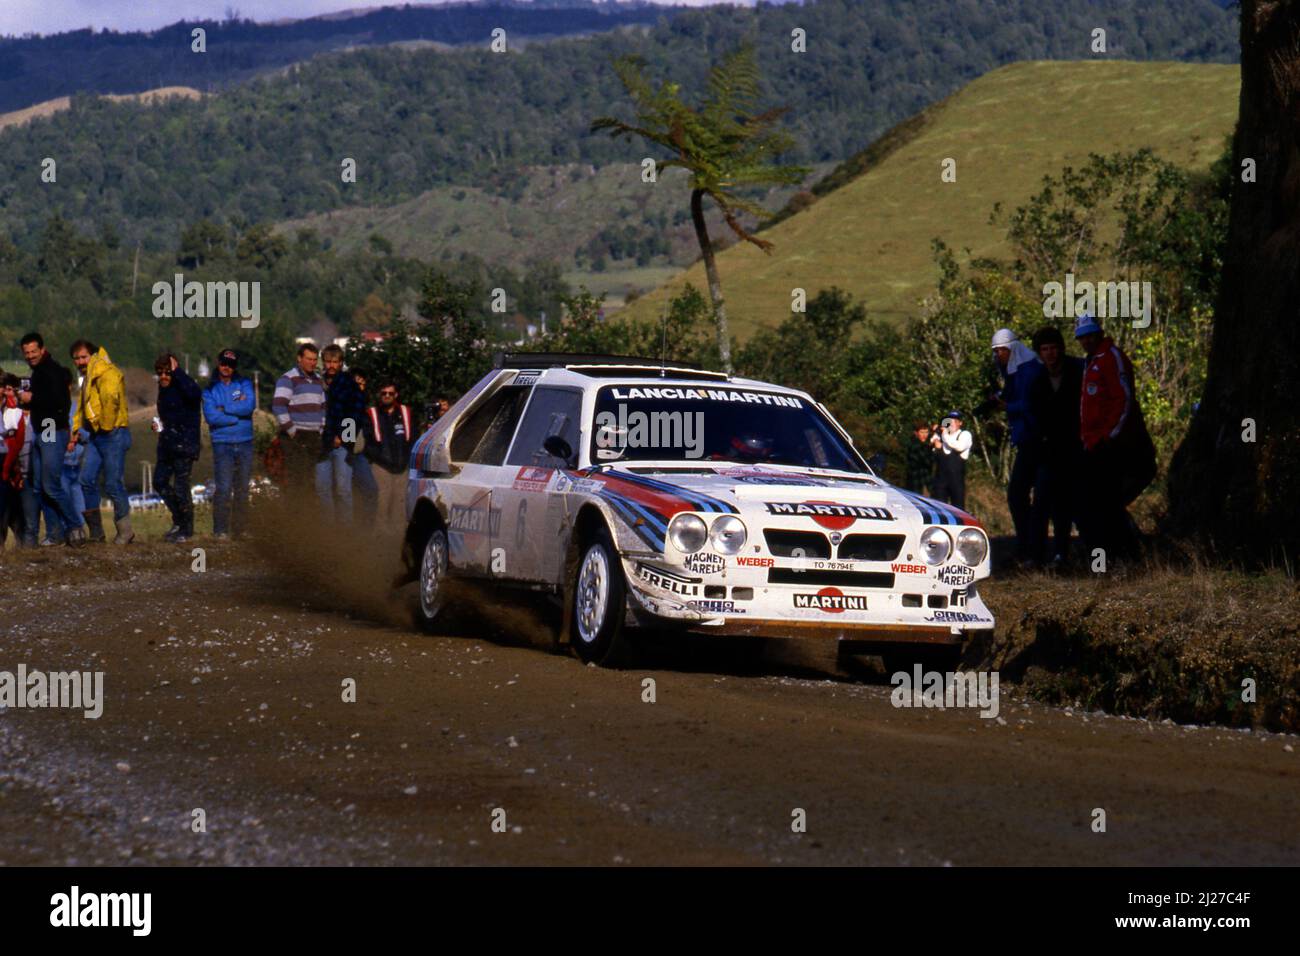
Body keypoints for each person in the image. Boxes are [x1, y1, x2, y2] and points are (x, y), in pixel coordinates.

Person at [1074, 314, 1156, 562]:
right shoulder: (1090, 362)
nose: (1086, 341)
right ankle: (1107, 556)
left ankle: (1128, 555)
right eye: (1082, 337)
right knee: (1092, 504)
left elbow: (1124, 399)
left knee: (1105, 504)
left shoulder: (1112, 358)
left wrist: (1109, 436)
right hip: (1093, 444)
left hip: (1114, 447)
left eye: (1090, 335)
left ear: (1099, 333)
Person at [18, 332, 83, 546]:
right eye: (26, 353)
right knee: (39, 486)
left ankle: (75, 526)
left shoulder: (51, 371)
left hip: (51, 429)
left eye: (33, 352)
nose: (30, 356)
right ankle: (54, 534)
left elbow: (57, 402)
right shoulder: (39, 372)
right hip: (44, 428)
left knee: (50, 485)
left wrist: (31, 398)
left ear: (42, 350)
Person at [1027, 326, 1085, 567]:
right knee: (1042, 503)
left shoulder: (1078, 370)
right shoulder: (1038, 380)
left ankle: (1072, 554)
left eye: (1053, 348)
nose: (1050, 353)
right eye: (1044, 349)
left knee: (1075, 505)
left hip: (1077, 449)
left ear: (1060, 348)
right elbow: (1035, 416)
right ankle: (1038, 555)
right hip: (1049, 451)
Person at [70, 339, 133, 545]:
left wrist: (104, 427)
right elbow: (81, 407)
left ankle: (125, 531)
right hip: (96, 435)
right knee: (86, 479)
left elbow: (111, 400)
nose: (80, 361)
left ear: (93, 355)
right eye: (76, 358)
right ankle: (96, 533)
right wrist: (77, 428)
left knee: (113, 483)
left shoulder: (107, 372)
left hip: (113, 432)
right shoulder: (89, 376)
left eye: (83, 357)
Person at [991, 328, 1043, 565]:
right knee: (1026, 496)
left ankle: (1031, 549)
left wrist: (1006, 406)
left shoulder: (1029, 370)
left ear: (1009, 349)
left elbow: (1031, 403)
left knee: (1020, 495)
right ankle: (1030, 548)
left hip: (1036, 439)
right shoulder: (1015, 369)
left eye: (999, 351)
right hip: (1026, 439)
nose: (997, 356)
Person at [204, 349, 256, 540]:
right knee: (224, 488)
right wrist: (237, 417)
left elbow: (249, 406)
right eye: (224, 363)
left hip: (245, 441)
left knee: (242, 488)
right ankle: (220, 530)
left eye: (231, 364)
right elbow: (211, 416)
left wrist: (225, 408)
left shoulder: (245, 383)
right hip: (222, 443)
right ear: (218, 363)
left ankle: (241, 529)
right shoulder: (209, 389)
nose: (227, 367)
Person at [153, 353, 203, 543]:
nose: (163, 377)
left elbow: (195, 393)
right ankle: (179, 520)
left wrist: (178, 372)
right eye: (160, 373)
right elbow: (167, 417)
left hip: (185, 445)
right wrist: (158, 424)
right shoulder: (163, 390)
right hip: (167, 445)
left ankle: (187, 530)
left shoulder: (185, 386)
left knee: (181, 488)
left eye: (167, 373)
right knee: (159, 482)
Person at [272, 342, 327, 499]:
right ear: (299, 359)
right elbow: (278, 406)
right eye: (309, 359)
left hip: (313, 436)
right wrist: (292, 431)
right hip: (296, 435)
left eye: (315, 359)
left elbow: (323, 406)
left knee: (310, 481)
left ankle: (307, 517)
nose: (312, 363)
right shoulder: (288, 379)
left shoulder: (317, 380)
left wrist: (321, 428)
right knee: (296, 480)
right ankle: (294, 517)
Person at [320, 344, 368, 522]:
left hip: (342, 445)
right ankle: (327, 529)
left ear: (341, 363)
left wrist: (343, 437)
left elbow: (356, 413)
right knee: (322, 489)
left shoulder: (348, 383)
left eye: (335, 362)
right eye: (328, 362)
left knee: (343, 490)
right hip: (322, 443)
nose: (331, 366)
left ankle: (345, 530)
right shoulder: (318, 383)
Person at [363, 379, 415, 525]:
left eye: (390, 393)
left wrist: (406, 459)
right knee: (382, 504)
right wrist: (377, 458)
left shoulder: (406, 413)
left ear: (396, 395)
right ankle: (378, 538)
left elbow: (413, 439)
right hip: (381, 467)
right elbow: (366, 442)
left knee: (400, 507)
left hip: (402, 468)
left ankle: (397, 539)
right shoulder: (371, 414)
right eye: (384, 393)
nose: (387, 396)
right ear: (379, 395)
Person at [929, 410, 972, 509]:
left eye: (955, 421)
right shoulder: (940, 434)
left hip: (956, 481)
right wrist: (935, 439)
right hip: (940, 480)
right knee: (937, 507)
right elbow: (931, 443)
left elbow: (959, 447)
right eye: (950, 421)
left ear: (960, 423)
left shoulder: (965, 435)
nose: (952, 423)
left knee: (958, 509)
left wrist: (944, 435)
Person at [905, 421, 936, 494]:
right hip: (918, 482)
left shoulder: (924, 445)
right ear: (916, 433)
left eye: (926, 432)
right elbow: (928, 461)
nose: (924, 435)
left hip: (923, 481)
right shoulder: (916, 446)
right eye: (922, 432)